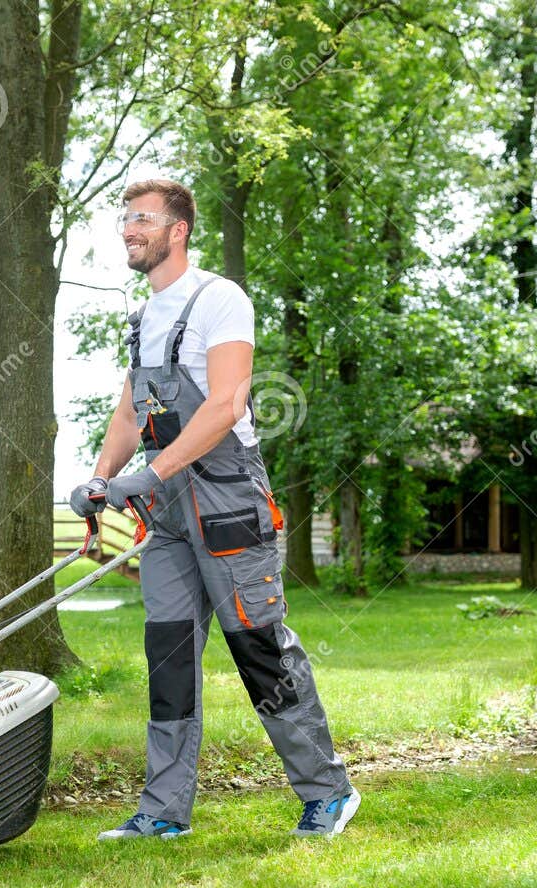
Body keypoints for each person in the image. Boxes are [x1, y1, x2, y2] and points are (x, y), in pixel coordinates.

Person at [69, 177, 359, 840]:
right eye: (124, 219)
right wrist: (100, 477)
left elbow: (227, 403)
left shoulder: (218, 299)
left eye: (142, 218)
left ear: (178, 230)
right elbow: (128, 411)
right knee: (169, 658)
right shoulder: (144, 318)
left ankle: (328, 792)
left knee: (260, 647)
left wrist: (151, 471)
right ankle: (163, 812)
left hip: (226, 499)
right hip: (167, 513)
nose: (128, 229)